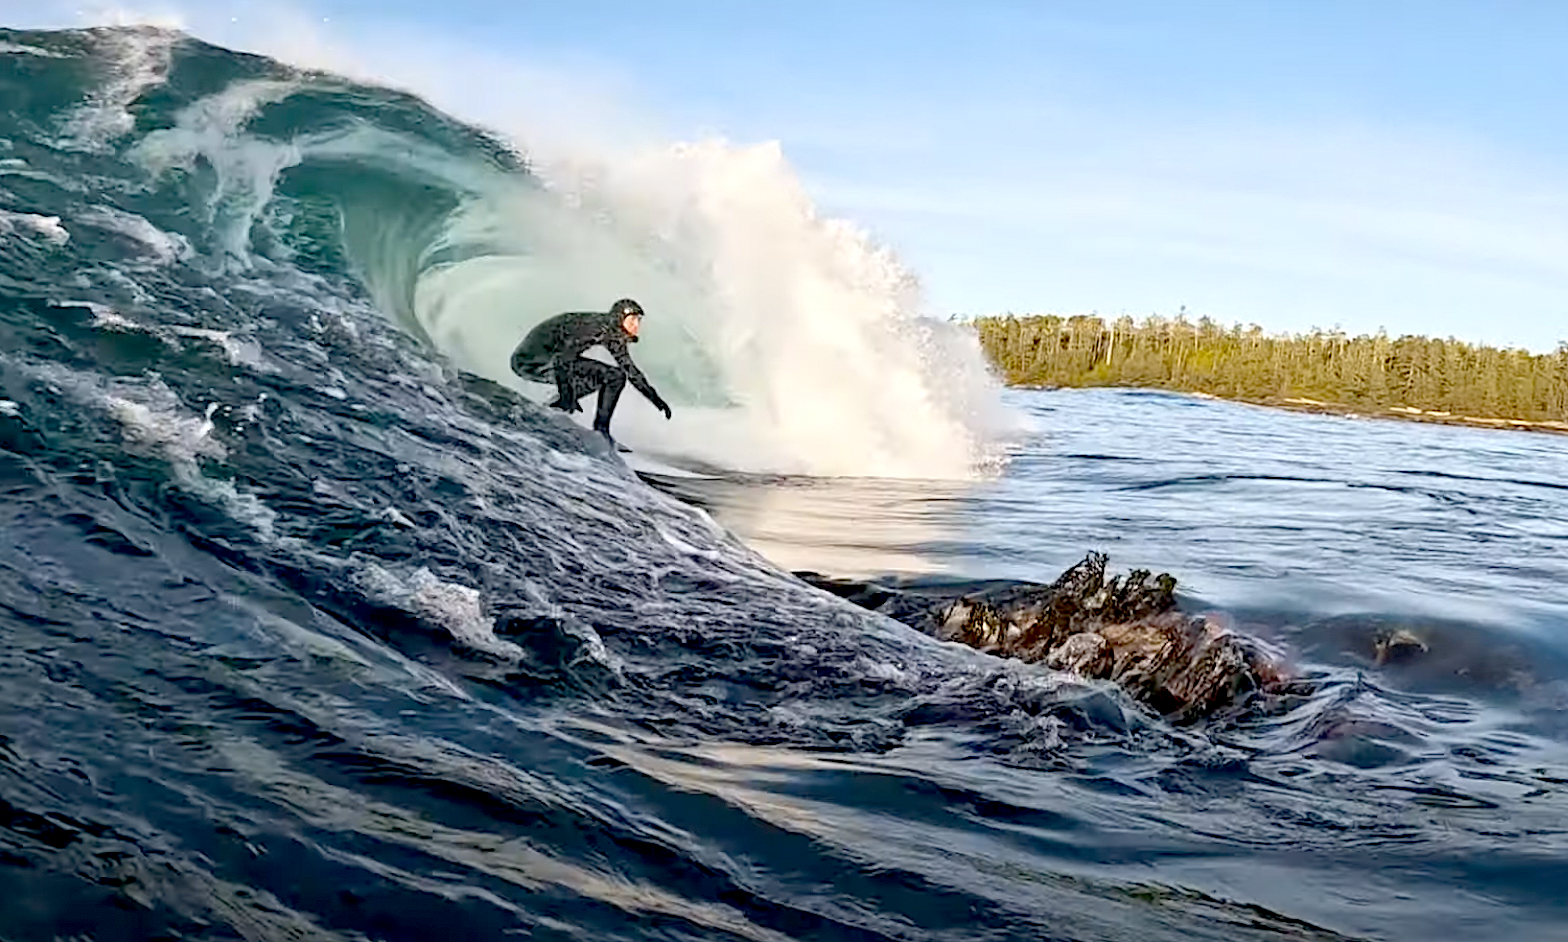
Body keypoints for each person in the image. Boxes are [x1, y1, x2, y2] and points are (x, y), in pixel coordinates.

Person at [509, 298, 672, 445]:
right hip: (530, 361)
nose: (637, 326)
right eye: (633, 320)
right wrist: (568, 396)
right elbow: (561, 360)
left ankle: (549, 412)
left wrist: (655, 399)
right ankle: (600, 432)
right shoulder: (595, 328)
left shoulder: (611, 332)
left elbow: (630, 370)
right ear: (620, 318)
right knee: (612, 376)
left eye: (639, 320)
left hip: (544, 361)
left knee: (605, 379)